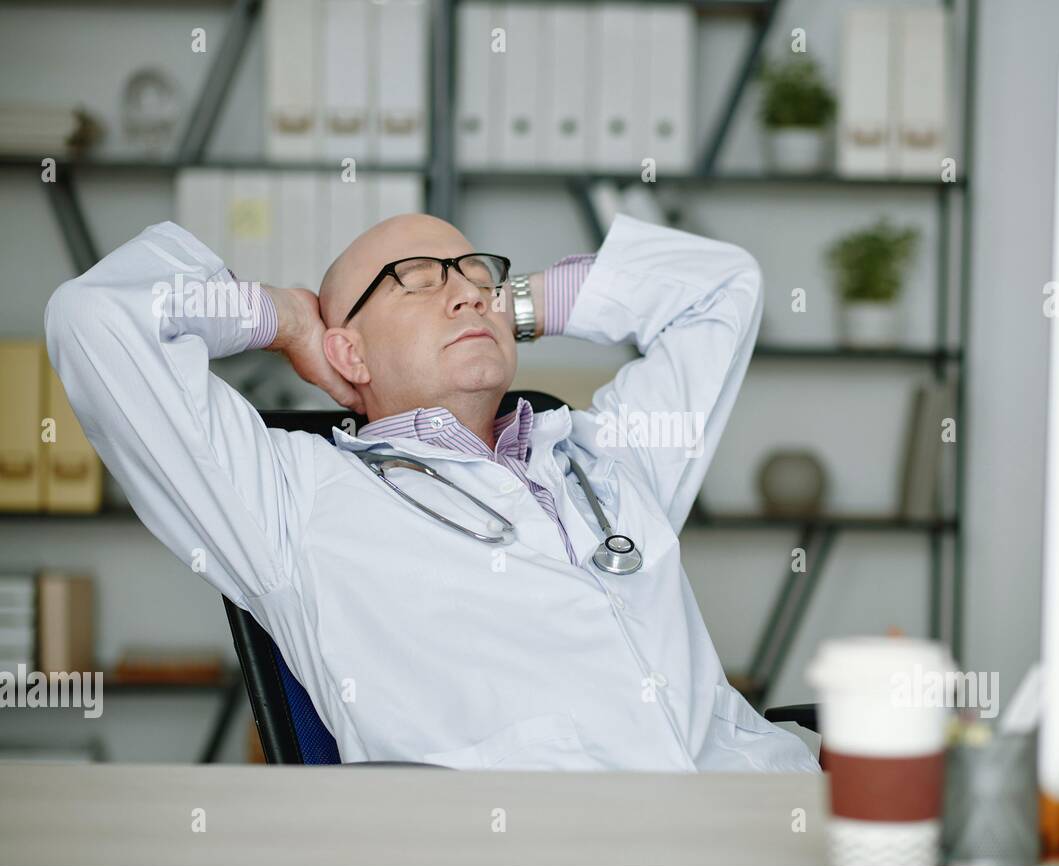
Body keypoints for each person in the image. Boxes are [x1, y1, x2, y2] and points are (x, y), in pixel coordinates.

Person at [44, 210, 821, 772]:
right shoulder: (287, 497)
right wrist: (285, 319)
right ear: (347, 351)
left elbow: (723, 287)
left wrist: (517, 306)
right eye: (413, 283)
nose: (465, 294)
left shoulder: (605, 459)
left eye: (478, 278)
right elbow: (96, 319)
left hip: (756, 811)